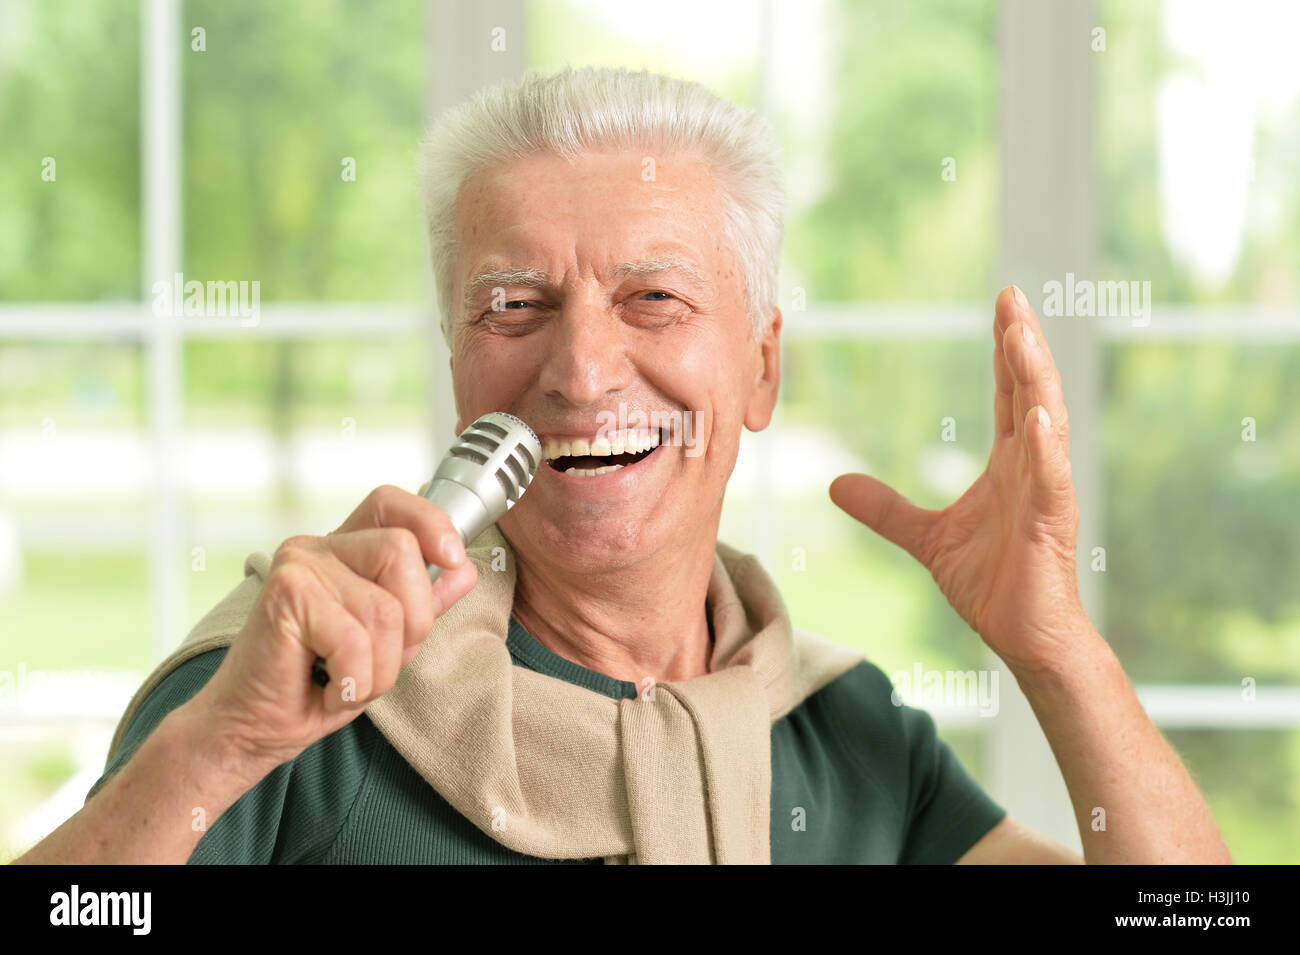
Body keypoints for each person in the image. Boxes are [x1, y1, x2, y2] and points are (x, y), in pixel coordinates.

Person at [16, 66, 1231, 864]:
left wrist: (1056, 649)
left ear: (761, 370)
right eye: (513, 305)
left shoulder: (836, 737)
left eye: (652, 298)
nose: (582, 371)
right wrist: (209, 755)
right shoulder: (296, 686)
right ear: (457, 364)